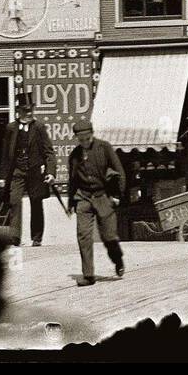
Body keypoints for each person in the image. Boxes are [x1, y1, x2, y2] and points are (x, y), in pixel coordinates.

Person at [66, 119, 126, 286]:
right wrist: (71, 203)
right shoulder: (74, 155)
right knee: (83, 236)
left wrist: (117, 195)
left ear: (92, 134)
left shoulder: (104, 147)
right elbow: (72, 180)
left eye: (87, 138)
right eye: (81, 139)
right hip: (83, 198)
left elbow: (120, 172)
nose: (84, 142)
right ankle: (88, 275)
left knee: (109, 237)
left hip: (103, 197)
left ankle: (117, 259)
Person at [0, 101, 56, 248]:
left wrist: (50, 172)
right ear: (19, 111)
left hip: (35, 171)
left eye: (31, 110)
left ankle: (37, 238)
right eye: (25, 110)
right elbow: (5, 154)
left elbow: (49, 152)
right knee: (15, 201)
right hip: (17, 171)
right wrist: (3, 177)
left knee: (36, 202)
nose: (29, 113)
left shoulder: (39, 127)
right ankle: (15, 237)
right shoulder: (11, 128)